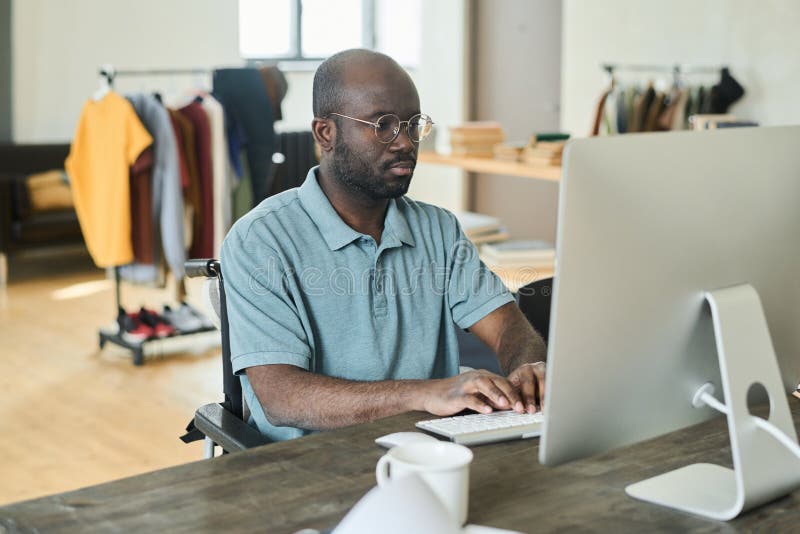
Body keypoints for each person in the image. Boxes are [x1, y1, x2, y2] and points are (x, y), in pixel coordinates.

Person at [221, 49, 547, 441]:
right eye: (382, 125)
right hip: (307, 471)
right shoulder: (260, 240)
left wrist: (529, 367)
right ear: (326, 133)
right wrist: (426, 393)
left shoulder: (438, 229)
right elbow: (281, 398)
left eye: (413, 125)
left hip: (430, 454)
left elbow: (507, 325)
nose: (404, 143)